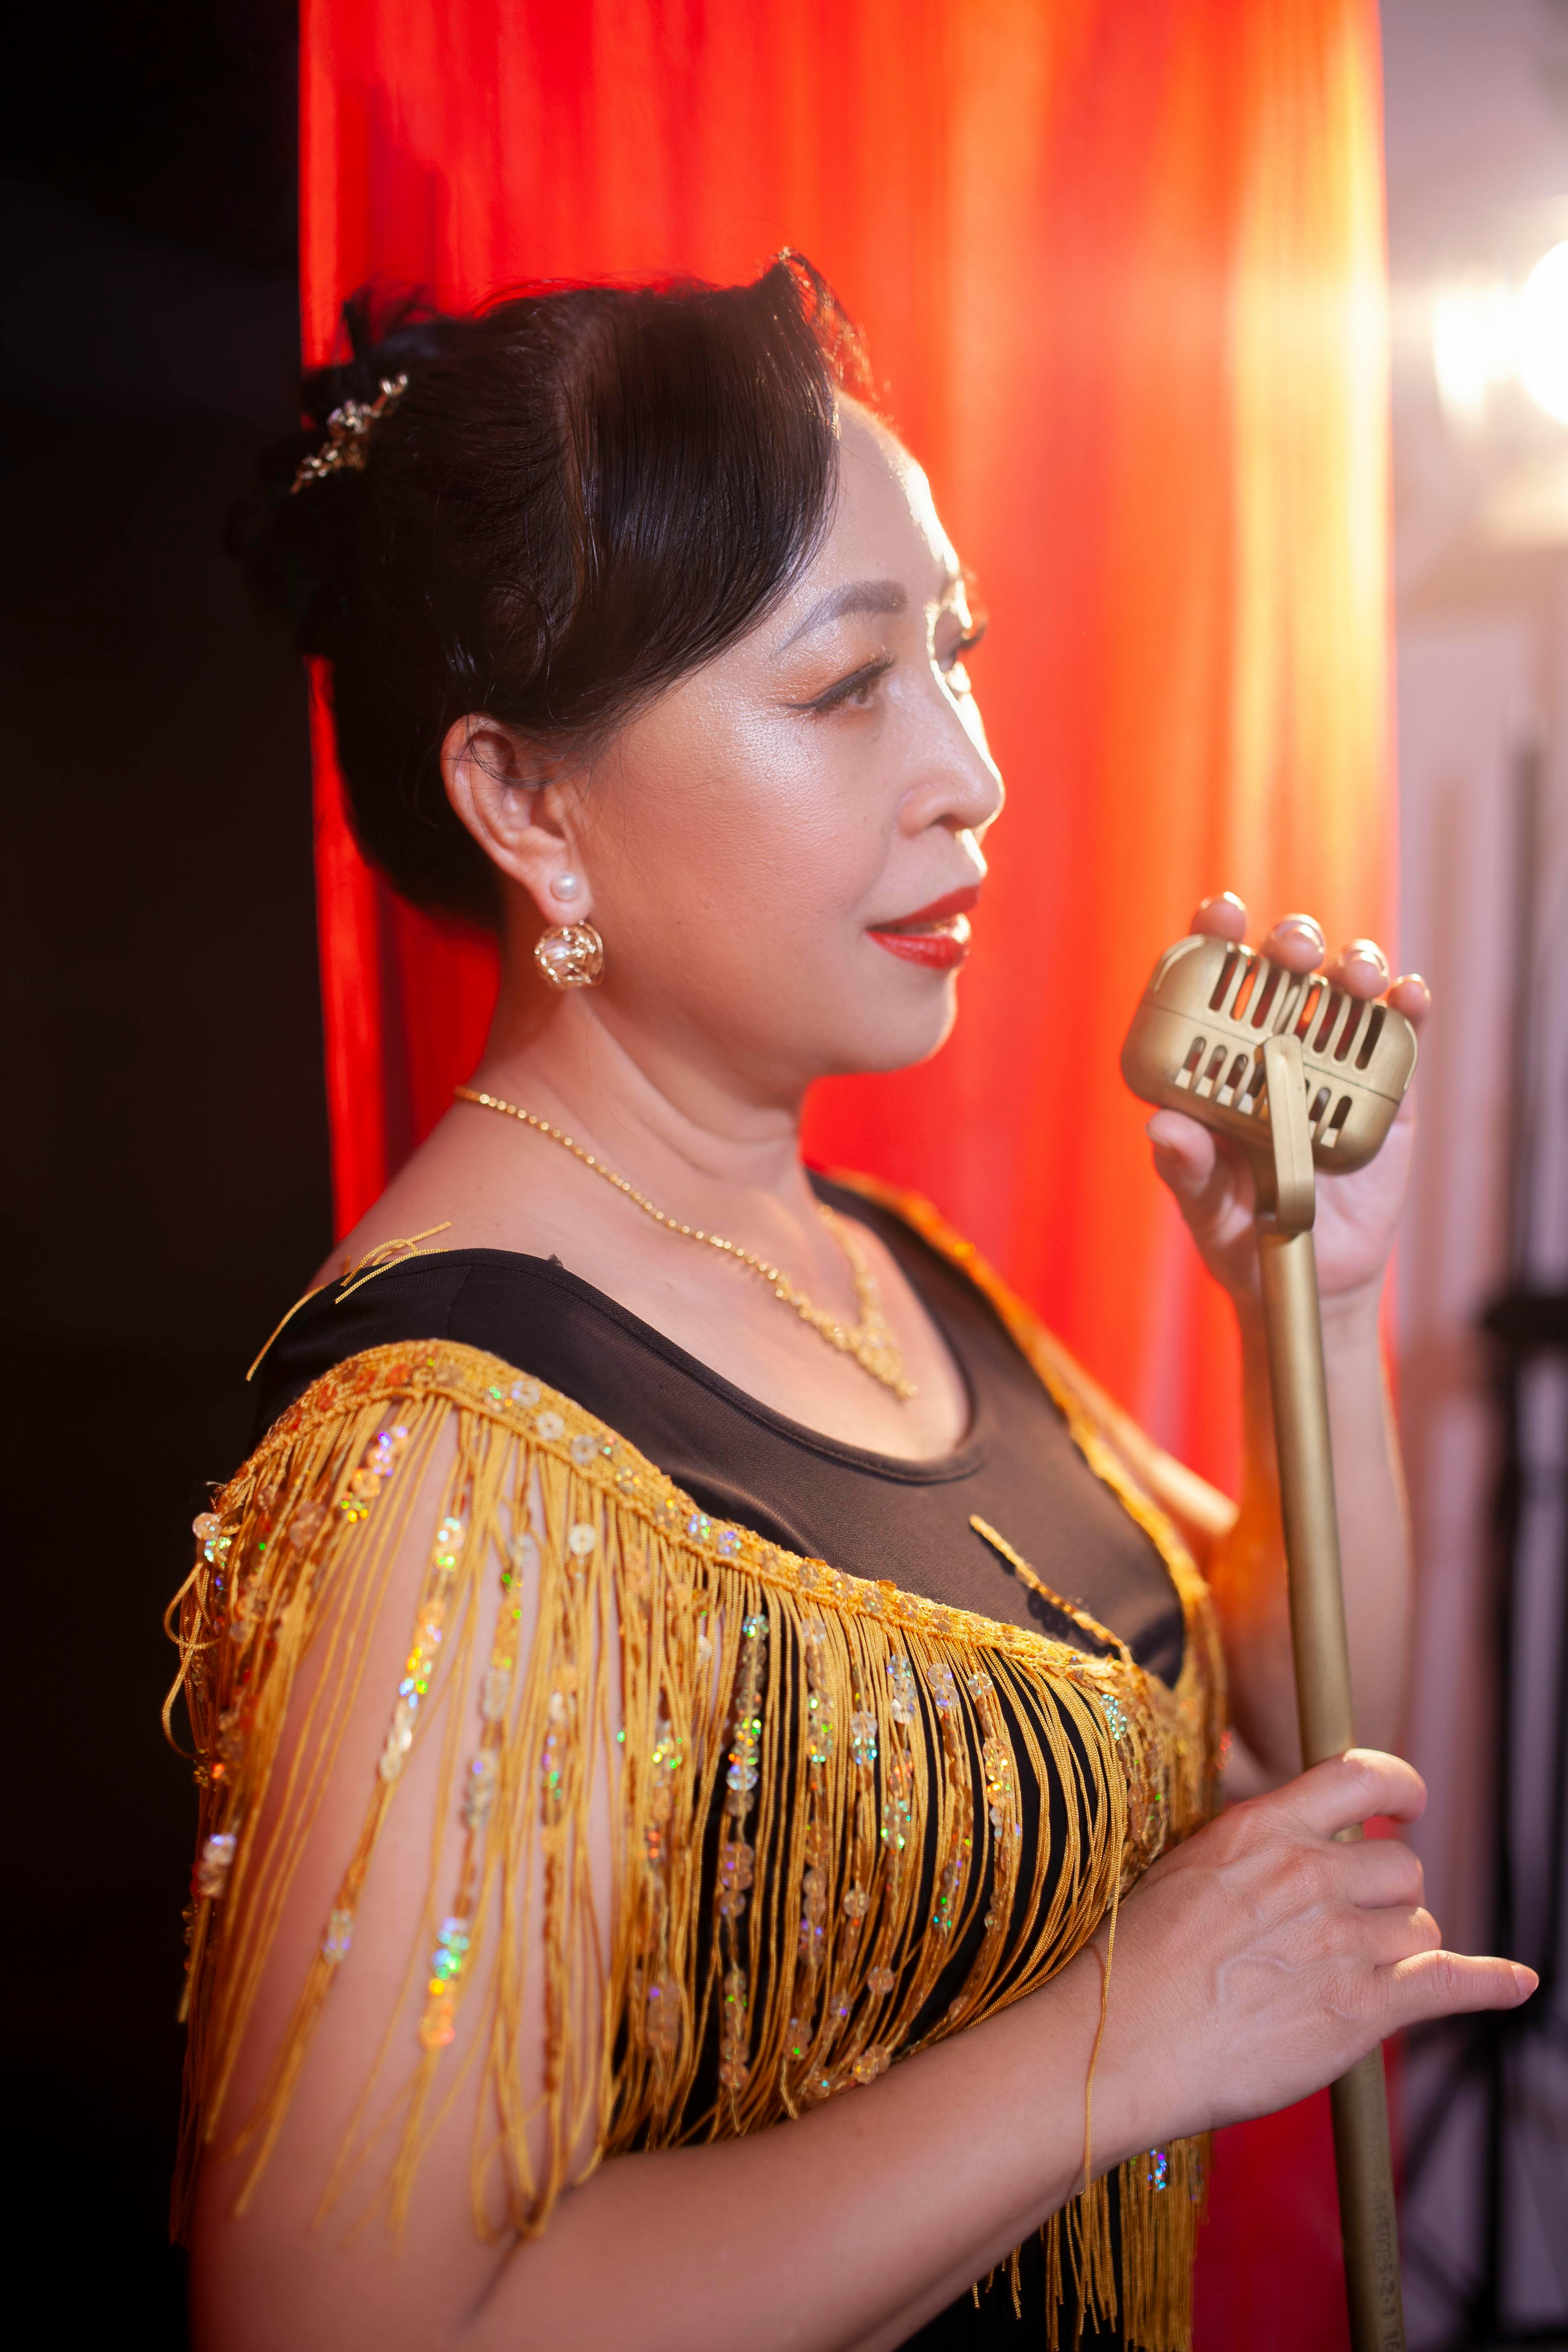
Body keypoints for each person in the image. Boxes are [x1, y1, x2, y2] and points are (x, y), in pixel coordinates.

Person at [175, 257, 1531, 2352]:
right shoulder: (448, 1454)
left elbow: (1291, 1743)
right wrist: (1113, 2041)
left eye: (955, 659)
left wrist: (1312, 1312)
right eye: (845, 689)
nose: (971, 772)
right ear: (528, 804)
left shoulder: (899, 1274)